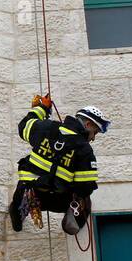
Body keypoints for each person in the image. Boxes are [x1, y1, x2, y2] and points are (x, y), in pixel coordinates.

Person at [9, 96, 108, 234]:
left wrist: (42, 108)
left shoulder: (47, 128)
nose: (93, 138)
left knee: (24, 187)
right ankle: (72, 223)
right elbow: (85, 187)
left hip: (32, 193)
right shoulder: (84, 150)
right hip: (58, 199)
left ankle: (18, 210)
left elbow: (24, 126)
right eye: (95, 132)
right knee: (86, 200)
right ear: (88, 125)